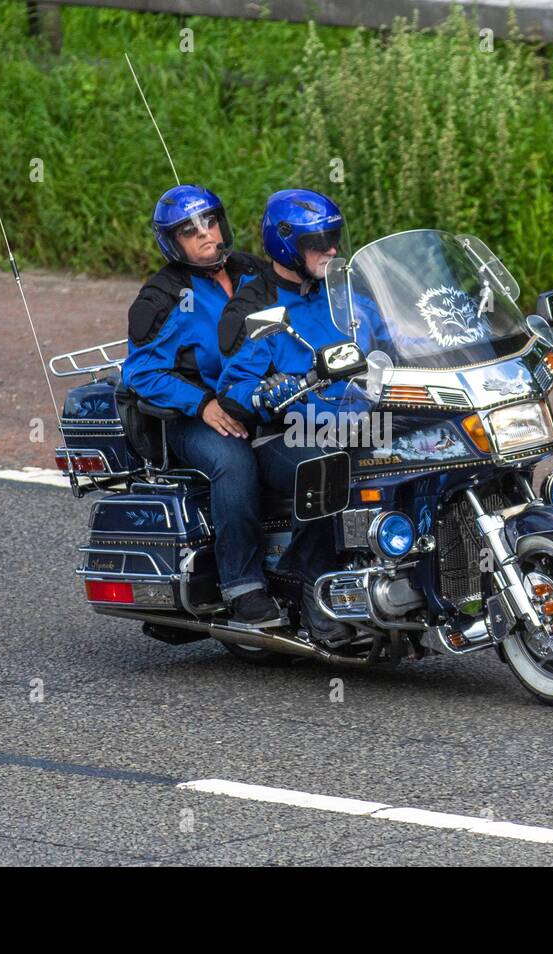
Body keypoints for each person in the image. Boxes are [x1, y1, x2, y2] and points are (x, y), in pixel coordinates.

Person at [216, 188, 383, 641]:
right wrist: (268, 391)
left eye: (333, 237)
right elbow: (233, 386)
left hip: (360, 420)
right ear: (287, 244)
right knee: (324, 469)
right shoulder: (256, 307)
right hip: (286, 432)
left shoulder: (347, 295)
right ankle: (319, 595)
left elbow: (396, 340)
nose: (331, 248)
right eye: (317, 242)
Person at [120, 184, 281, 625]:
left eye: (210, 222)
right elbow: (140, 374)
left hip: (258, 399)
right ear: (174, 244)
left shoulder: (251, 271)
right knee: (234, 461)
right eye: (192, 232)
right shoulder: (163, 297)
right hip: (189, 417)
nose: (207, 235)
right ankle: (242, 585)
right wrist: (203, 404)